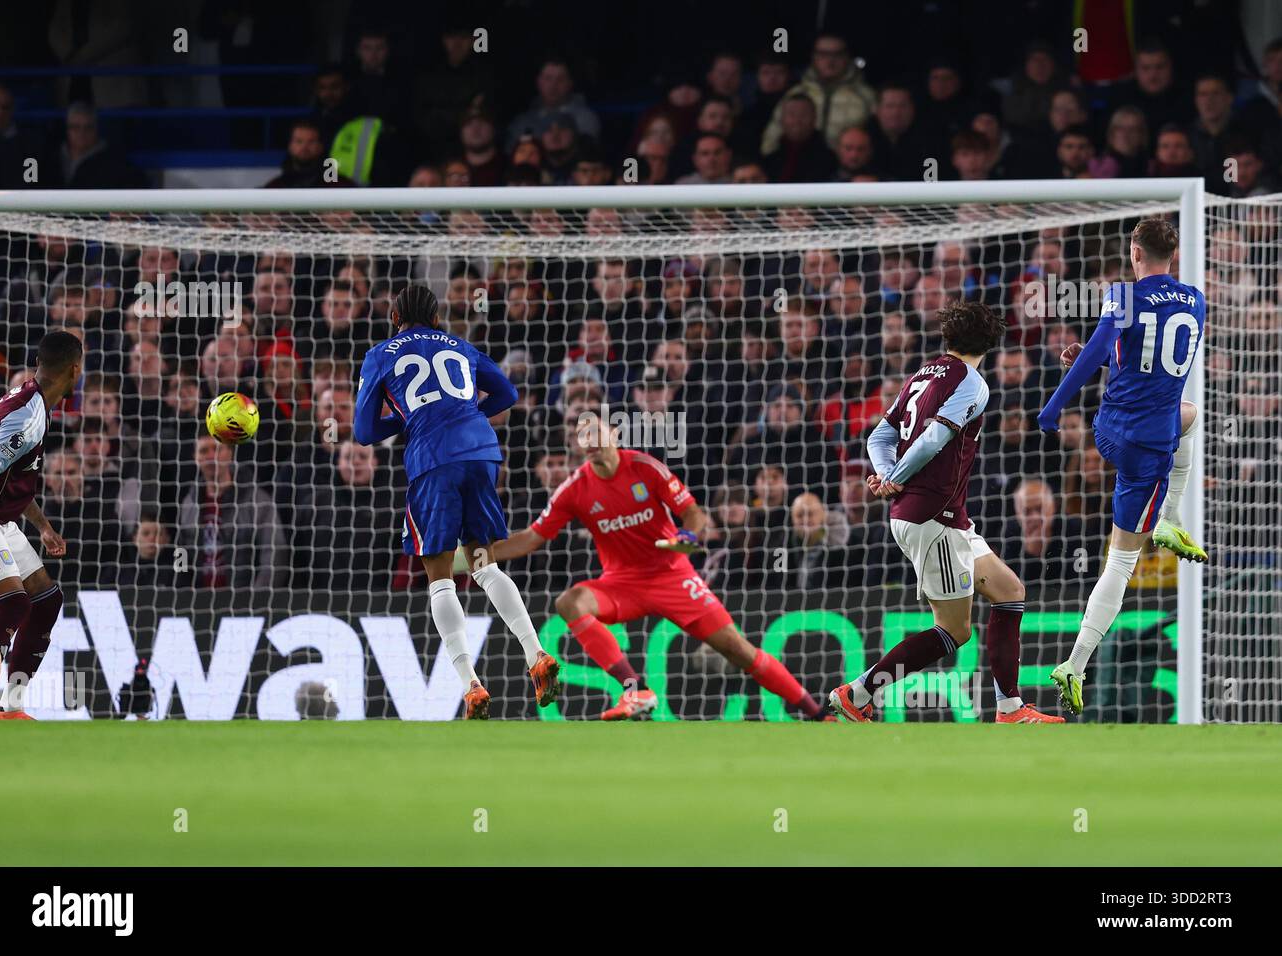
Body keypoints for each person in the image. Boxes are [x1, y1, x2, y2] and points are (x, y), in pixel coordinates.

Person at [493, 417, 834, 722]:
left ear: (614, 433)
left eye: (594, 430)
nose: (589, 439)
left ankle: (817, 713)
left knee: (737, 649)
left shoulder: (645, 467)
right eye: (581, 436)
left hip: (673, 575)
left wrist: (686, 536)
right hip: (622, 584)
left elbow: (695, 514)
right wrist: (480, 557)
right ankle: (635, 689)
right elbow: (531, 538)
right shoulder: (574, 489)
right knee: (571, 602)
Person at [828, 303, 1063, 724]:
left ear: (947, 337)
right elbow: (934, 438)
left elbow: (879, 435)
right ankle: (858, 693)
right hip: (932, 516)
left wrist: (886, 474)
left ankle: (1010, 709)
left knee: (1010, 592)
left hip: (940, 514)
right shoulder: (973, 384)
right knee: (954, 631)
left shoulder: (923, 374)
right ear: (991, 342)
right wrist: (893, 476)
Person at [352, 284, 557, 718]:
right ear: (438, 318)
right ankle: (536, 654)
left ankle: (472, 686)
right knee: (484, 563)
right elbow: (506, 394)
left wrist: (415, 417)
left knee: (439, 576)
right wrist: (461, 413)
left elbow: (365, 432)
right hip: (481, 452)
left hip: (433, 461)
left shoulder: (380, 353)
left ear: (394, 317)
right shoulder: (460, 346)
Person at [1037, 218, 1206, 716]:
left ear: (1135, 253)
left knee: (1190, 417)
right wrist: (1108, 356)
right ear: (1171, 255)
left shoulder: (1123, 295)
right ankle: (1170, 518)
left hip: (1113, 432)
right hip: (1154, 441)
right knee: (1121, 561)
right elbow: (1153, 361)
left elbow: (1100, 350)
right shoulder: (1195, 299)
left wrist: (1056, 404)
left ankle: (1073, 663)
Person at [0, 330, 83, 718]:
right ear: (76, 370)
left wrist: (42, 525)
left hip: (3, 520)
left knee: (46, 600)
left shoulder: (35, 402)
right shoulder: (28, 417)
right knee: (12, 602)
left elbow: (13, 474)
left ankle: (12, 707)